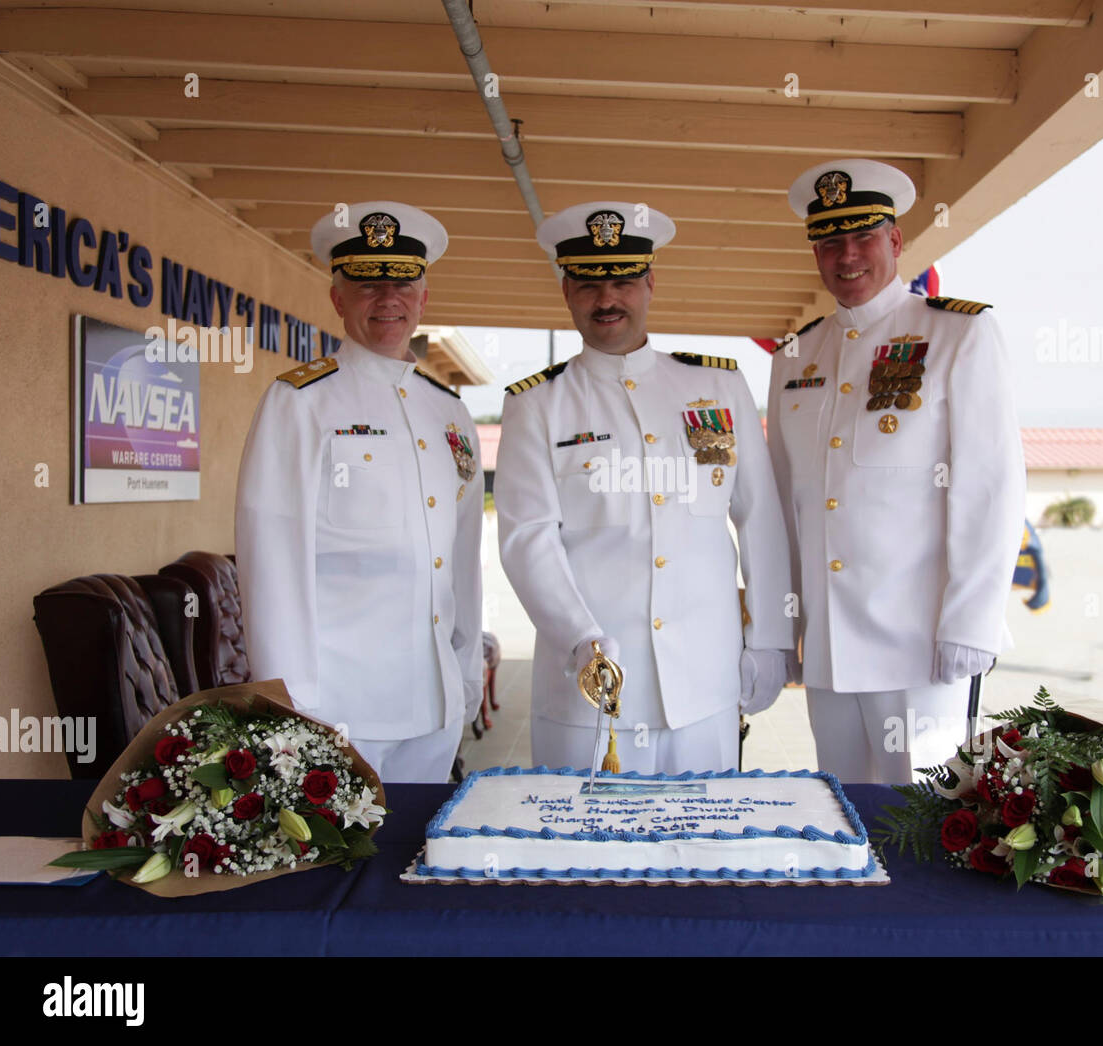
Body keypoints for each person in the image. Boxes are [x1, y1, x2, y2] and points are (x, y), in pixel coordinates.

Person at [496, 202, 793, 773]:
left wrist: (772, 639)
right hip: (588, 687)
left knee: (702, 852)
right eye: (587, 284)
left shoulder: (717, 386)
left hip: (705, 685)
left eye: (623, 281)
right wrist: (579, 638)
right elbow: (527, 538)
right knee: (581, 856)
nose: (607, 299)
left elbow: (760, 518)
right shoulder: (536, 404)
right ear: (566, 292)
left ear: (650, 282)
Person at [768, 159, 1026, 783]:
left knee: (925, 825)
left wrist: (972, 620)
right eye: (830, 242)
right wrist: (786, 627)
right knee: (847, 814)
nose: (846, 255)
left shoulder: (958, 333)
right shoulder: (795, 356)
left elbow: (990, 487)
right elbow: (784, 505)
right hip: (829, 646)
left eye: (862, 237)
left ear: (895, 242)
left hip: (922, 647)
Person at [235, 201, 483, 783]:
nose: (387, 299)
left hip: (435, 702)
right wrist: (290, 706)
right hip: (341, 709)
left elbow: (463, 558)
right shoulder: (300, 401)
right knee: (337, 869)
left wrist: (466, 671)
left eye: (403, 283)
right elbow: (270, 557)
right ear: (337, 298)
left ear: (423, 298)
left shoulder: (448, 412)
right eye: (367, 284)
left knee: (416, 862)